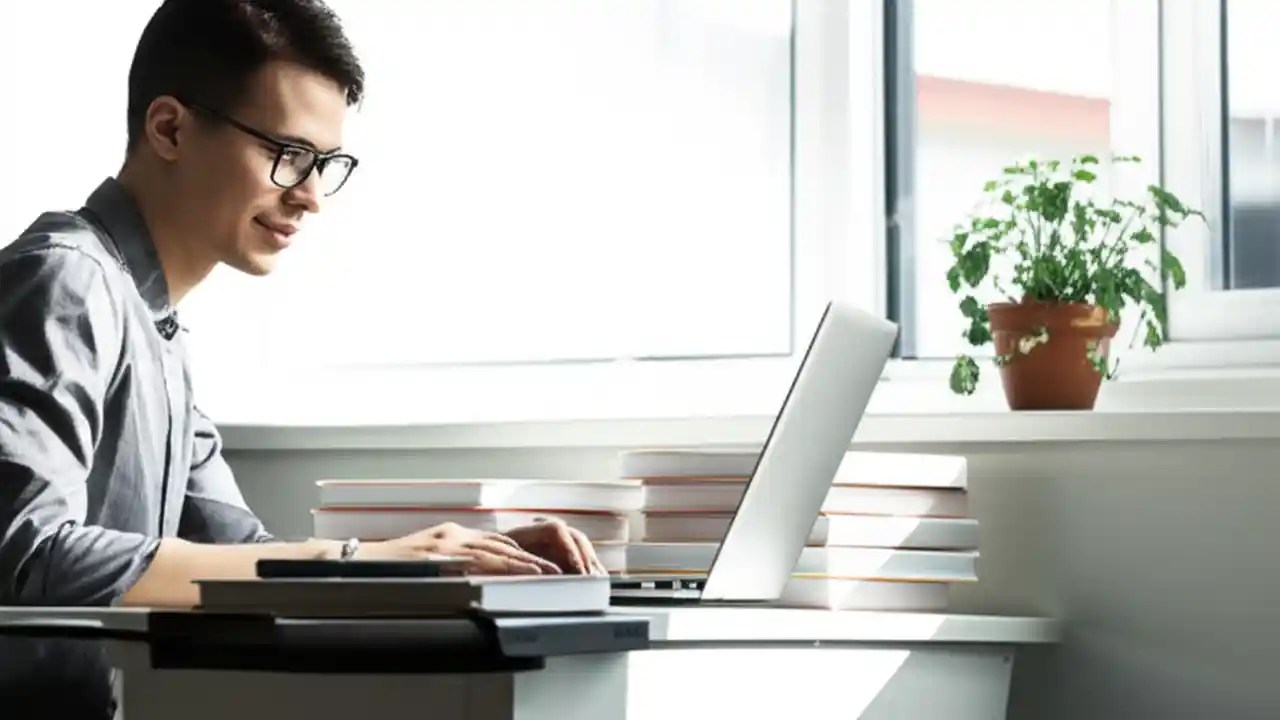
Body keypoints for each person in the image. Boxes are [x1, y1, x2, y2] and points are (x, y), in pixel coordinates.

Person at [0, 0, 603, 715]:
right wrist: (363, 561)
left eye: (326, 163)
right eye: (287, 155)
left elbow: (247, 554)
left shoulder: (154, 322)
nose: (312, 196)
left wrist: (443, 566)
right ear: (169, 128)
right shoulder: (69, 279)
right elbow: (28, 555)